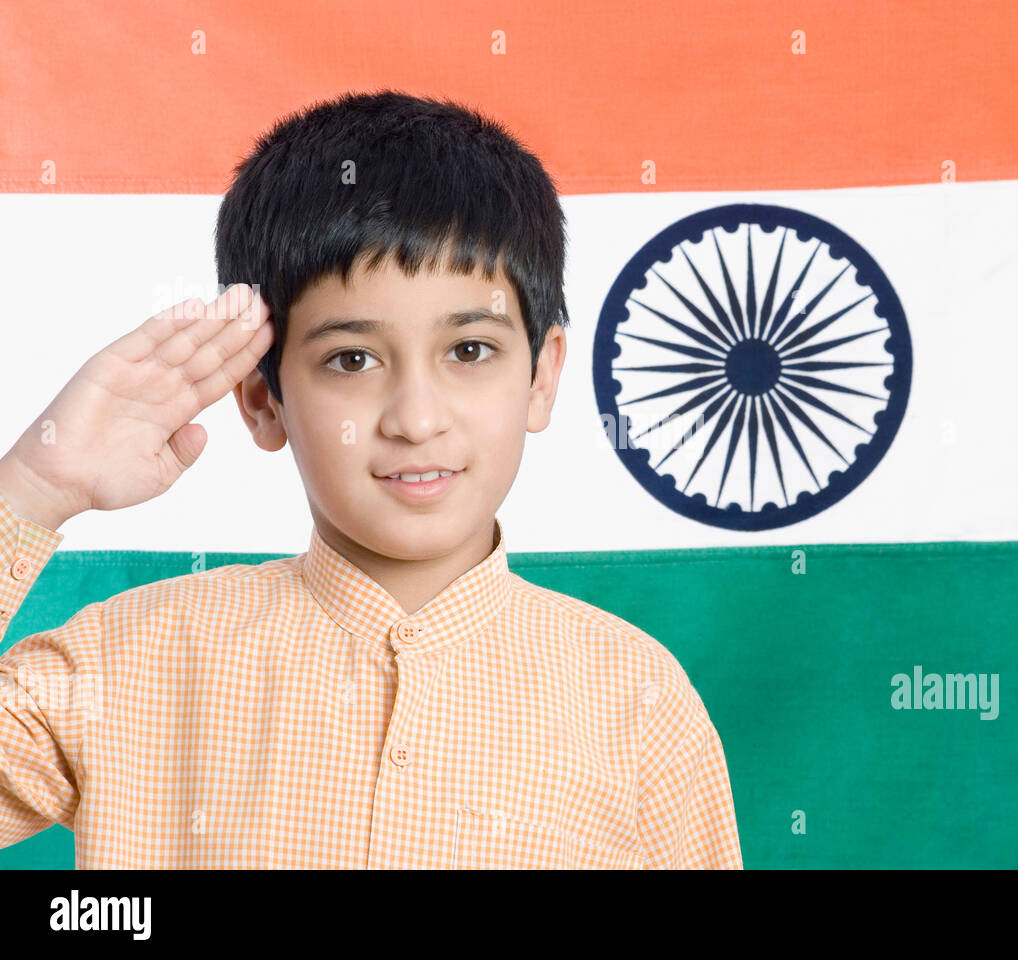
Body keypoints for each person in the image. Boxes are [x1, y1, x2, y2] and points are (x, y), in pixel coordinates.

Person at [0, 91, 742, 869]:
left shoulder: (638, 699)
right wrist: (36, 487)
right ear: (262, 399)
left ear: (541, 376)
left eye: (470, 351)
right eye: (351, 360)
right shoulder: (125, 667)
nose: (416, 420)